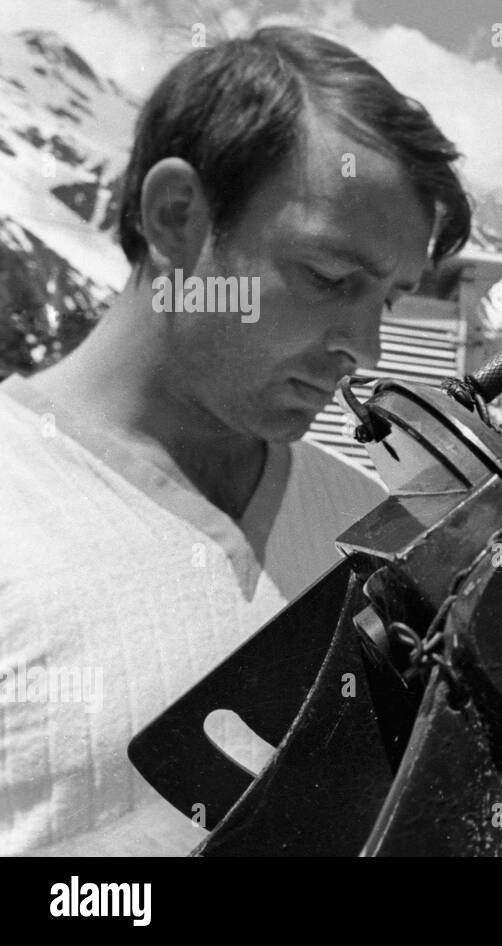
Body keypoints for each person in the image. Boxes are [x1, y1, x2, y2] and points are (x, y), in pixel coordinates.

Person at [0, 26, 471, 855]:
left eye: (389, 300)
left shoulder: (375, 532)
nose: (367, 349)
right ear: (179, 217)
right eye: (329, 278)